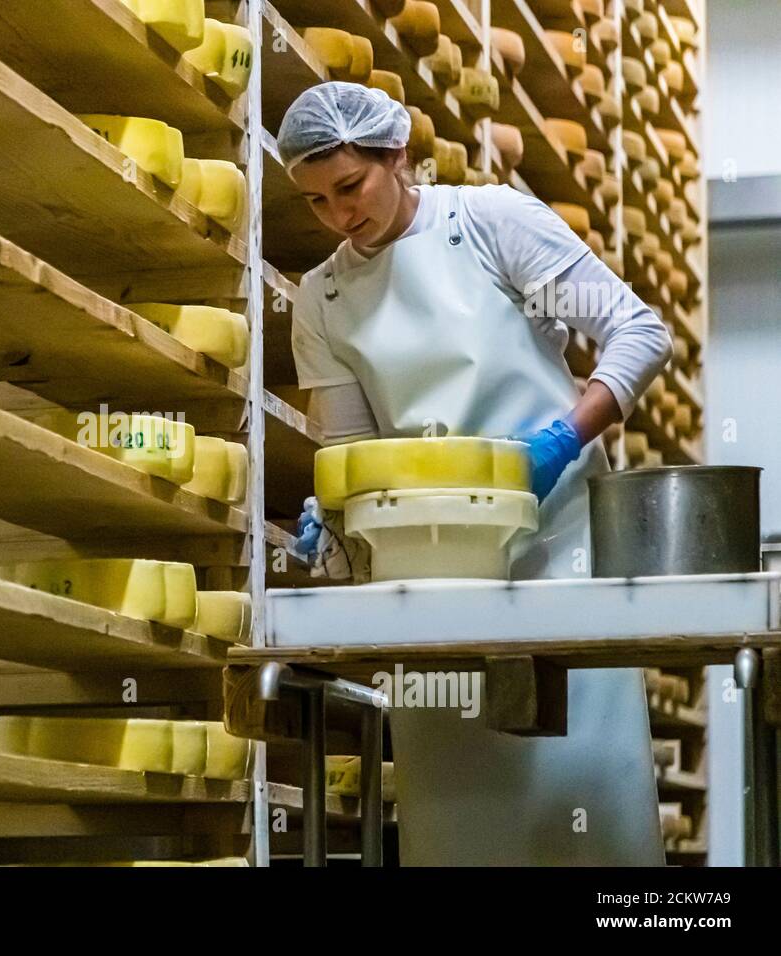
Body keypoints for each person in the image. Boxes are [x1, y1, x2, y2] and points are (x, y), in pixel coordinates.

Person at [280, 82, 672, 865]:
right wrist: (340, 515)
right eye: (318, 201)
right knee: (460, 819)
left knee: (587, 799)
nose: (340, 214)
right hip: (434, 577)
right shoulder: (321, 301)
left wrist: (562, 439)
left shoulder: (491, 223)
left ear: (397, 156)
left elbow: (638, 331)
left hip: (557, 552)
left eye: (351, 187)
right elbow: (349, 446)